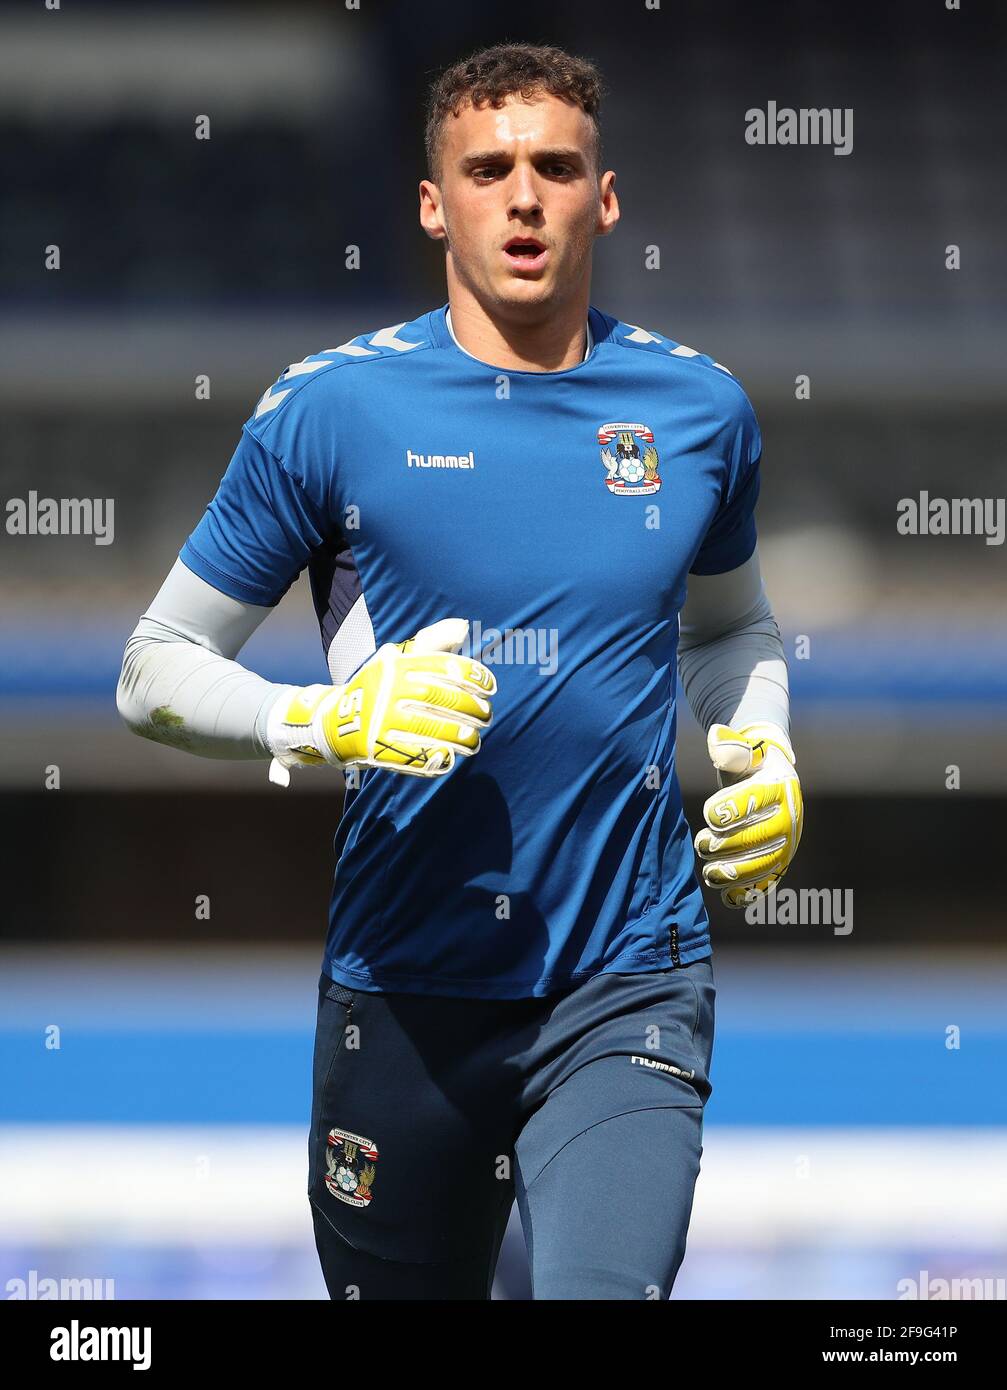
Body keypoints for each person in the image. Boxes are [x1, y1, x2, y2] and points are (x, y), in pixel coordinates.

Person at [117, 41, 803, 1300]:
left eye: (554, 166)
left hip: (627, 981)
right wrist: (323, 718)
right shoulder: (329, 411)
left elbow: (728, 631)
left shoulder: (700, 409)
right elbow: (153, 668)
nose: (523, 196)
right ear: (433, 203)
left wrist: (763, 743)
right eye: (487, 169)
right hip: (403, 994)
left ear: (604, 198)